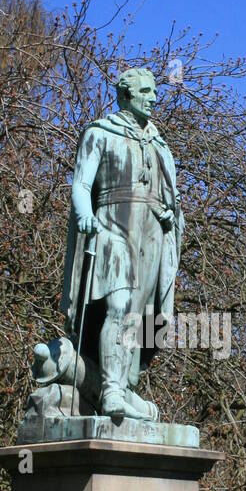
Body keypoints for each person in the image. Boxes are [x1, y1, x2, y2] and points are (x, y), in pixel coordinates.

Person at [61, 67, 183, 418]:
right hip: (111, 230)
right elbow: (82, 185)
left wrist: (170, 215)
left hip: (151, 237)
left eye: (155, 91)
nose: (154, 97)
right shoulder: (100, 133)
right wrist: (85, 214)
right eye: (146, 91)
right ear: (126, 94)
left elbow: (168, 195)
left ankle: (124, 385)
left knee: (139, 315)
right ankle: (111, 391)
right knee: (119, 304)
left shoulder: (159, 144)